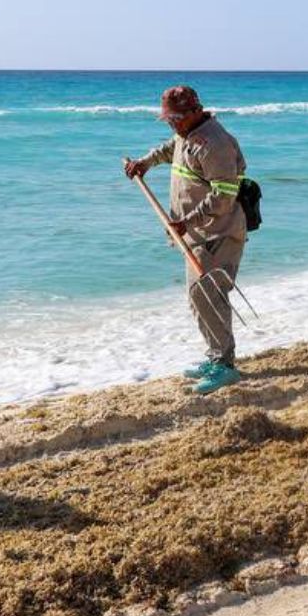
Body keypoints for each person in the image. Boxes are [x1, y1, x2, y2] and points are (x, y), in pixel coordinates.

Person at [123, 85, 249, 395]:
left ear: (195, 112)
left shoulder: (214, 143)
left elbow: (225, 195)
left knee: (208, 296)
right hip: (195, 234)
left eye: (175, 118)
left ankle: (225, 365)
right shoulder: (185, 135)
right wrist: (145, 163)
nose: (171, 124)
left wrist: (186, 221)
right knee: (198, 298)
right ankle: (215, 356)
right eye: (167, 119)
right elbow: (170, 149)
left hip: (218, 233)